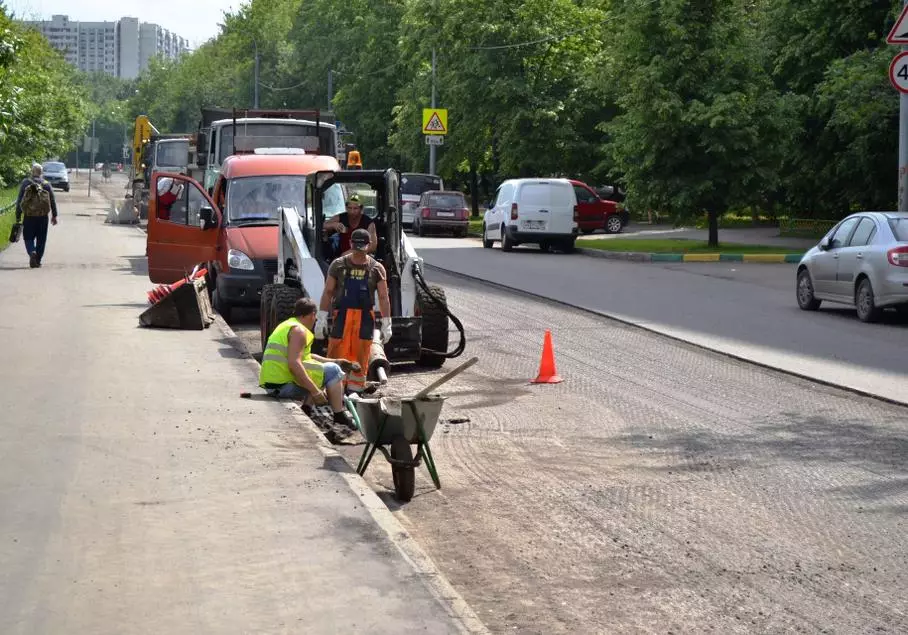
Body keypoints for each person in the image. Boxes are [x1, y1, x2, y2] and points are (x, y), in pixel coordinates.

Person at [259, 297, 358, 429]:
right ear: (312, 314)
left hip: (273, 384)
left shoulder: (287, 326)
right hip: (283, 387)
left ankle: (306, 410)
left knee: (321, 369)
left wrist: (336, 361)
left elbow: (306, 356)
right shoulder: (299, 331)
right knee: (333, 371)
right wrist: (316, 392)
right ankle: (339, 415)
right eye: (315, 316)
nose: (315, 319)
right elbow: (294, 364)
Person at [316, 229, 392, 394]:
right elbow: (328, 291)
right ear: (350, 244)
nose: (358, 250)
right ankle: (334, 387)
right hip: (342, 316)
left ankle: (355, 390)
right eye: (356, 246)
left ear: (369, 245)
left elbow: (384, 297)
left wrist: (387, 323)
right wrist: (321, 318)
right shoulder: (338, 265)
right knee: (337, 351)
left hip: (365, 317)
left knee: (361, 353)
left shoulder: (376, 268)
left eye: (362, 247)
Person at [15, 163, 58, 268]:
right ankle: (37, 260)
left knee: (28, 237)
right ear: (41, 173)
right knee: (41, 239)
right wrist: (54, 215)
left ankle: (32, 252)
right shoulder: (46, 184)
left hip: (29, 216)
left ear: (32, 172)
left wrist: (18, 215)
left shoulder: (26, 183)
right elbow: (52, 200)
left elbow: (20, 201)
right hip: (42, 217)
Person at [323, 192, 378, 256]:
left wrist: (352, 252)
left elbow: (373, 246)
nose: (352, 211)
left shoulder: (368, 223)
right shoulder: (341, 217)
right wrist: (333, 225)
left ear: (361, 209)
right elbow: (322, 225)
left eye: (355, 208)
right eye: (349, 208)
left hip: (362, 256)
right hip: (342, 255)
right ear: (346, 208)